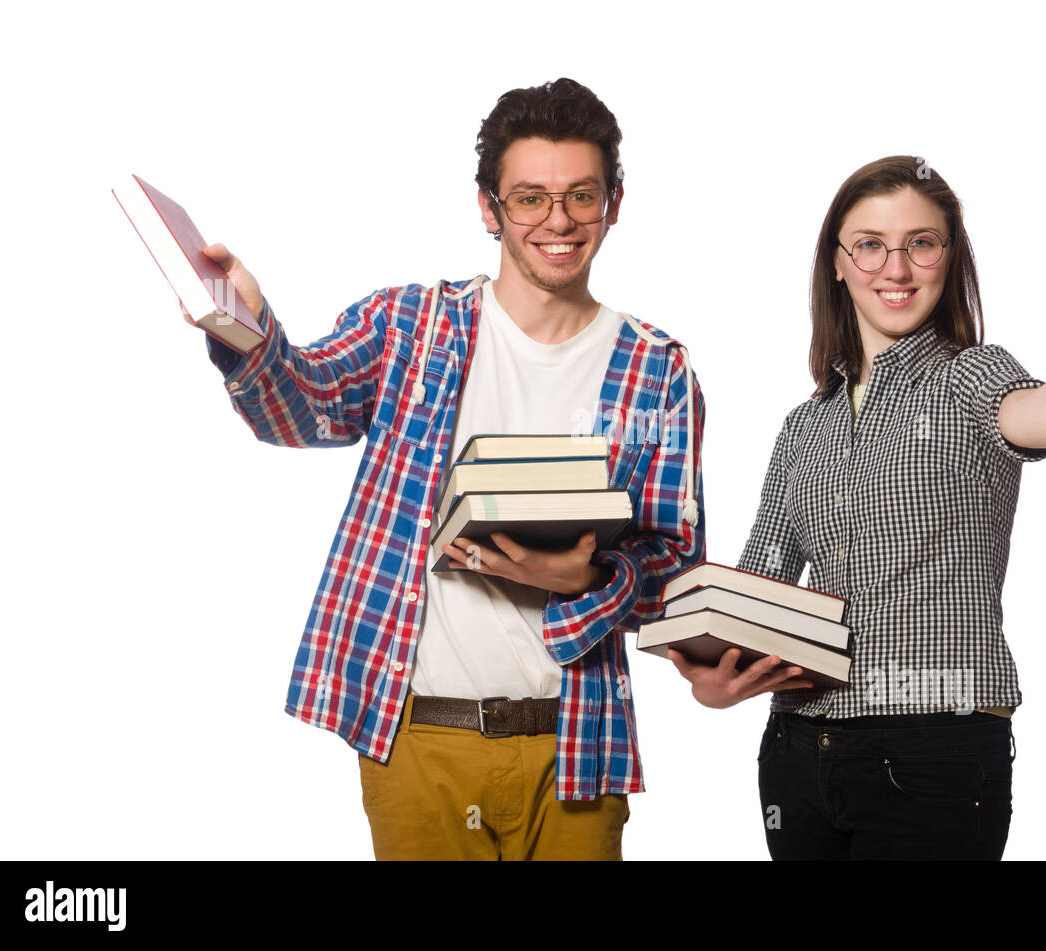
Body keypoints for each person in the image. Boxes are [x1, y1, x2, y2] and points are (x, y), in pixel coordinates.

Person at [196, 78, 705, 860]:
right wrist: (248, 329)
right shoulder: (411, 325)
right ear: (488, 207)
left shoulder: (657, 370)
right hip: (418, 740)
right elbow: (301, 408)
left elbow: (673, 566)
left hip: (576, 749)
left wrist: (591, 579)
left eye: (582, 196)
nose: (558, 221)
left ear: (616, 202)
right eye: (530, 197)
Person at [668, 155, 1046, 860]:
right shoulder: (803, 424)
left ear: (949, 258)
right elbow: (759, 587)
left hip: (933, 750)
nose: (897, 267)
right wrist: (713, 675)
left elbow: (1034, 409)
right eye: (871, 244)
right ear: (837, 261)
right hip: (797, 752)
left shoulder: (969, 376)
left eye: (922, 242)